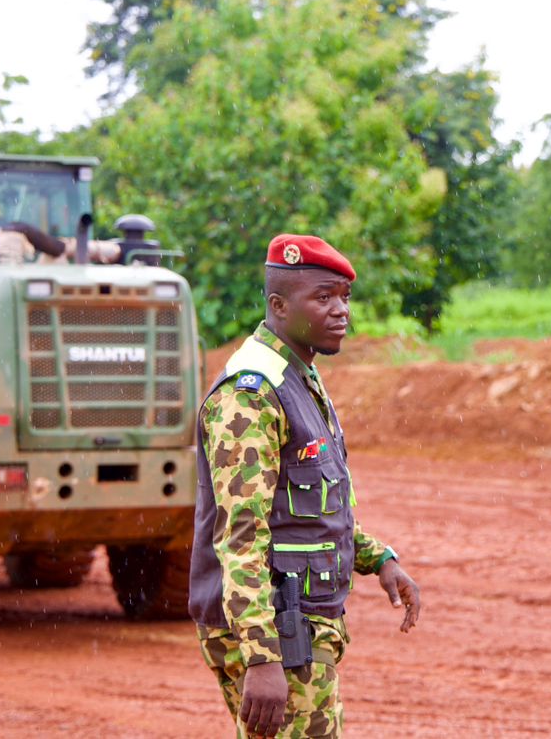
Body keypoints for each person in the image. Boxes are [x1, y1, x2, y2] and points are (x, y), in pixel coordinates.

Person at [189, 234, 422, 738]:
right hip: (274, 629)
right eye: (323, 298)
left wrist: (378, 558)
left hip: (298, 622)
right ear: (278, 305)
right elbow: (242, 537)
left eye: (344, 297)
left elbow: (307, 508)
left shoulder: (298, 376)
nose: (341, 311)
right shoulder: (251, 395)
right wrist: (261, 657)